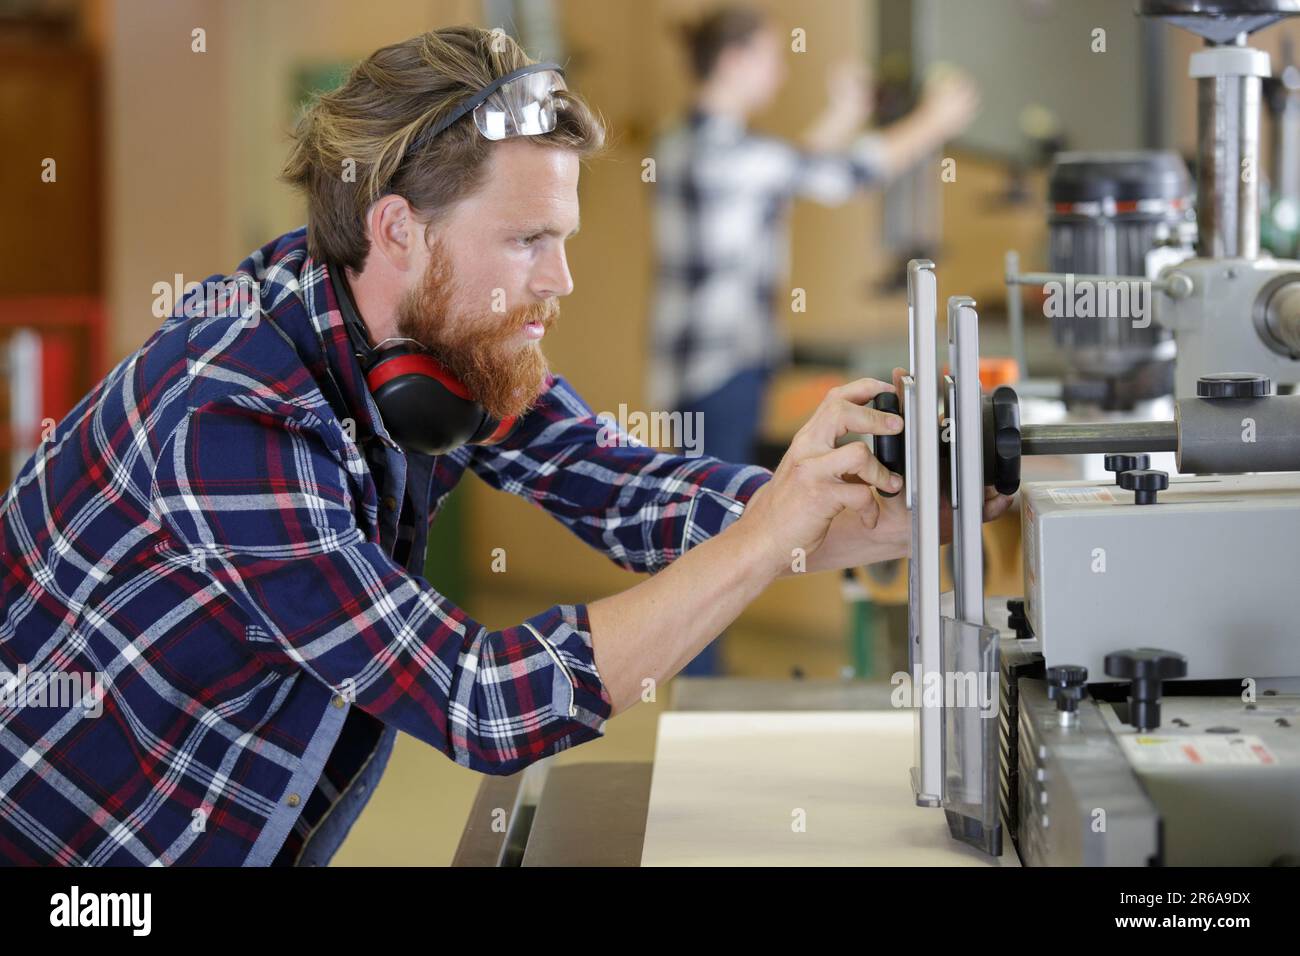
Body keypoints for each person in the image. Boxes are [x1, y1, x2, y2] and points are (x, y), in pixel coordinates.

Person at [0, 26, 1011, 866]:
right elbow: (480, 700)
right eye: (529, 240)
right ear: (400, 230)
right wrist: (769, 534)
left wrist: (889, 512)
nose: (560, 280)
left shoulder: (427, 334)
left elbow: (630, 493)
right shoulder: (230, 414)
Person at [648, 5, 980, 674]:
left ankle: (703, 691)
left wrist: (845, 112)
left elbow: (789, 169)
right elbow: (835, 175)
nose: (779, 70)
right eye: (771, 57)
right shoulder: (724, 153)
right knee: (714, 540)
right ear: (736, 60)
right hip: (717, 374)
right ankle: (702, 692)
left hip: (699, 371)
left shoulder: (693, 143)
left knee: (706, 530)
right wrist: (935, 123)